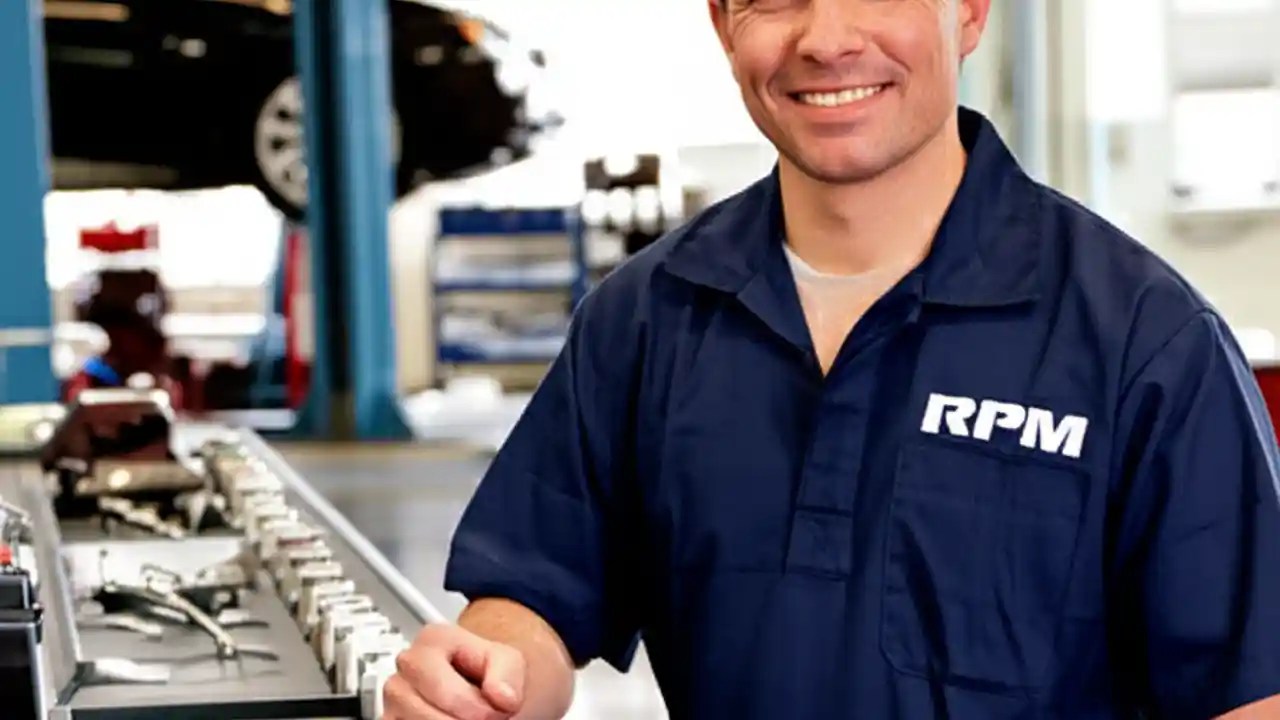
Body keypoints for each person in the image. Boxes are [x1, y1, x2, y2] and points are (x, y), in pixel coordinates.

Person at [384, 0, 1280, 717]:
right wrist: (486, 682)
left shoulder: (1143, 343)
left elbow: (1247, 692)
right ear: (723, 23)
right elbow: (534, 600)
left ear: (970, 12)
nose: (826, 39)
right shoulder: (646, 320)